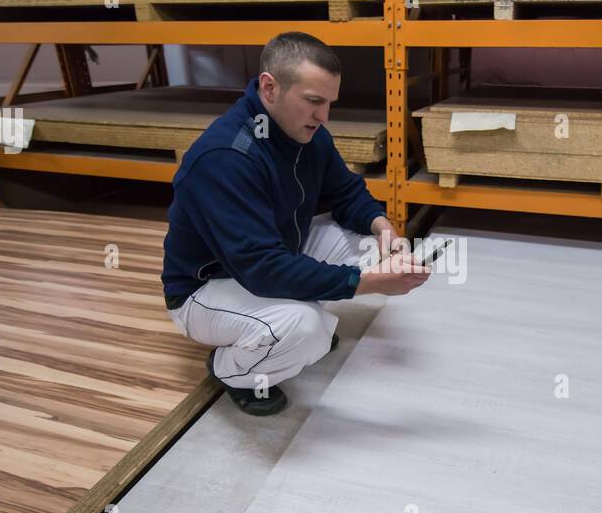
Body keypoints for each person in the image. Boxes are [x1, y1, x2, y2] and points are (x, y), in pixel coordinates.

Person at [163, 31, 430, 416]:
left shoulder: (307, 133)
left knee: (372, 249)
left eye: (329, 103)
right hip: (206, 288)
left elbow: (346, 193)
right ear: (270, 88)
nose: (324, 116)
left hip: (270, 255)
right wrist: (364, 283)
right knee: (308, 329)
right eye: (314, 102)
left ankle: (284, 328)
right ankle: (230, 369)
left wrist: (384, 229)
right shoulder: (226, 158)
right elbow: (262, 268)